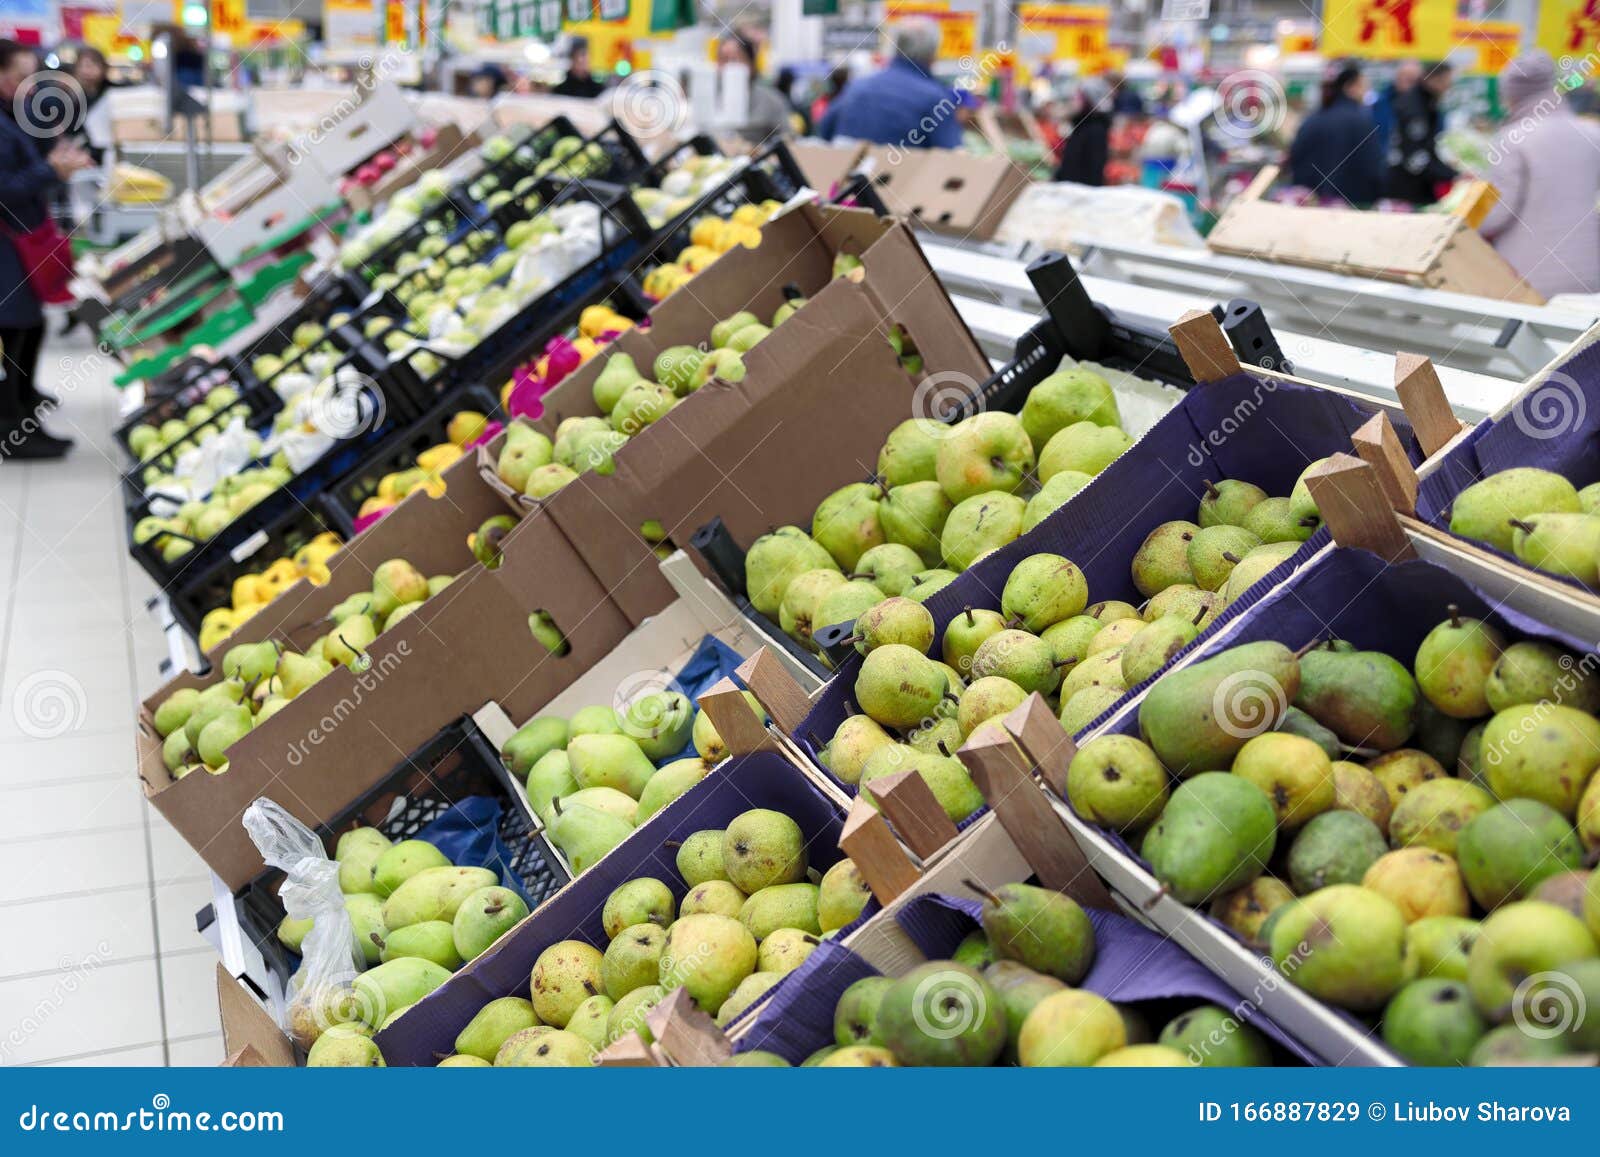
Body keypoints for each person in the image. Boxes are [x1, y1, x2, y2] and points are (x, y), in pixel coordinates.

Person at [0, 40, 91, 460]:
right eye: (20, 76)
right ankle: (12, 429)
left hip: (20, 241)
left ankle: (21, 412)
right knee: (16, 329)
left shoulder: (11, 112)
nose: (27, 86)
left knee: (29, 326)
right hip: (7, 245)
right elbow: (7, 189)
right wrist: (50, 169)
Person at [1479, 52, 1600, 297]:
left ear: (1513, 95)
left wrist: (1465, 222)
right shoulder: (1592, 132)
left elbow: (1498, 212)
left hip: (1527, 272)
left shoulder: (1514, 139)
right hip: (1587, 269)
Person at [818, 19, 962, 150]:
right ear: (932, 54)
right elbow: (950, 156)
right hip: (907, 177)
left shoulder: (856, 88)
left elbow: (824, 133)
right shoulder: (935, 99)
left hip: (851, 175)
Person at [1287, 64, 1385, 205]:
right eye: (1364, 86)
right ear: (1349, 87)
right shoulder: (1362, 121)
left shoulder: (1313, 120)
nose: (1367, 92)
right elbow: (1373, 166)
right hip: (1354, 205)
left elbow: (1296, 157)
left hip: (1313, 205)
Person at [1387, 60, 1455, 204]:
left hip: (1414, 182)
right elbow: (1415, 155)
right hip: (1407, 187)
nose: (1448, 88)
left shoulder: (1426, 103)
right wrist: (1451, 175)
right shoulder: (1415, 108)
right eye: (1447, 82)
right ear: (1433, 80)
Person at [716, 32, 791, 145]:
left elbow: (788, 139)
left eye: (735, 60)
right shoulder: (708, 99)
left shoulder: (772, 101)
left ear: (751, 64)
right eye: (724, 59)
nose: (730, 67)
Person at [1053, 79, 1110, 186]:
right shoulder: (1080, 126)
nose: (1073, 101)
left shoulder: (1095, 130)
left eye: (1078, 97)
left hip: (1081, 195)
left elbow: (1094, 172)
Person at [68, 45, 114, 163]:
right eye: (82, 66)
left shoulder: (113, 92)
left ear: (103, 68)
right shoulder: (72, 96)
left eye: (92, 66)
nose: (86, 71)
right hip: (83, 157)